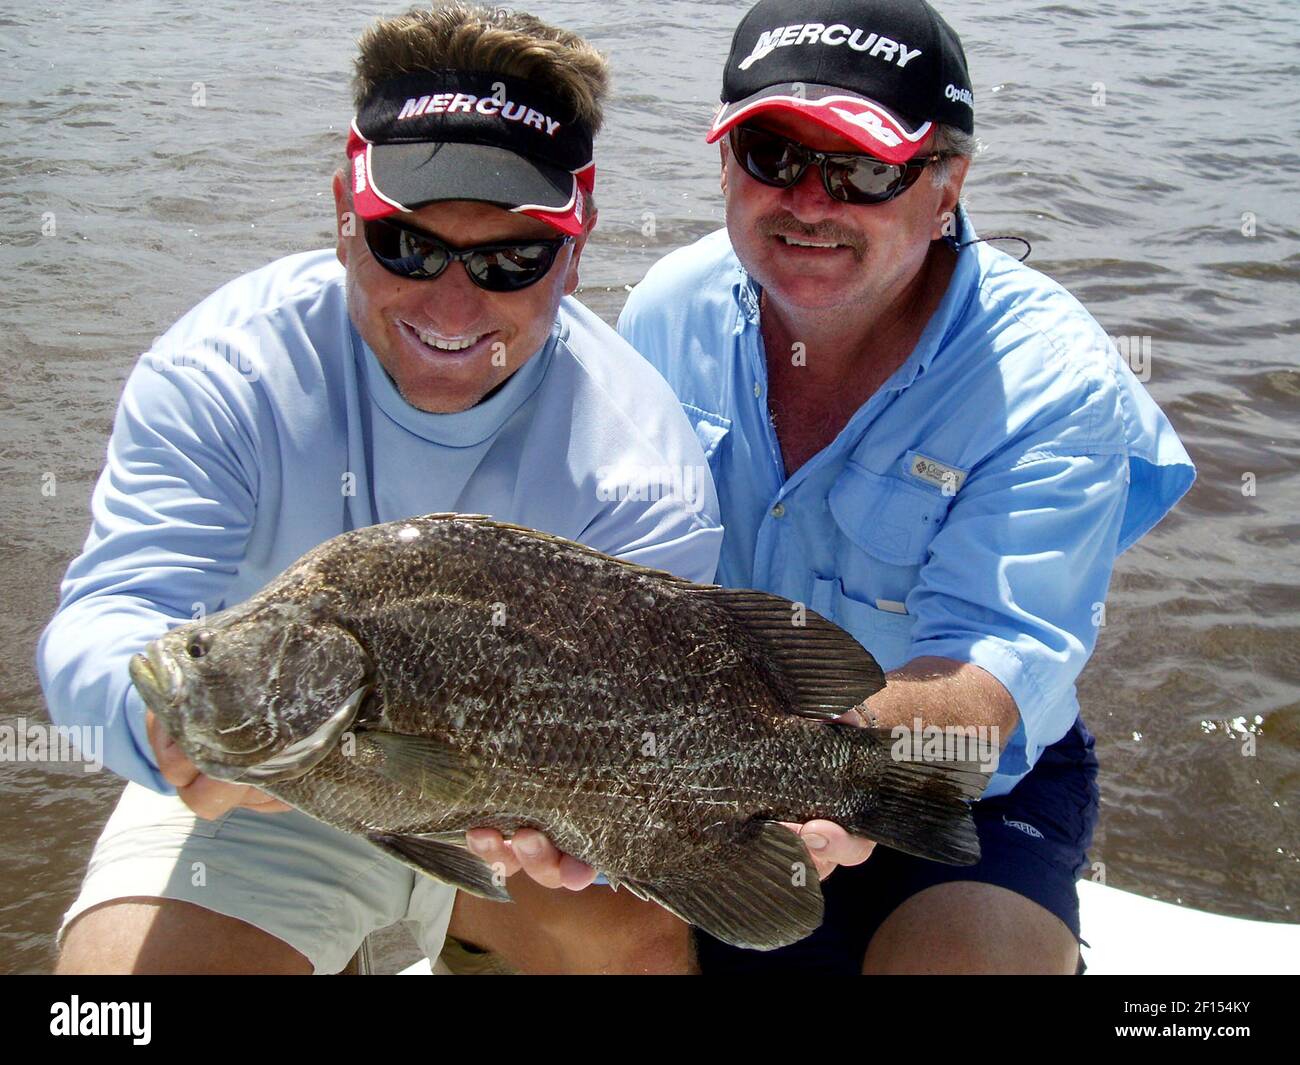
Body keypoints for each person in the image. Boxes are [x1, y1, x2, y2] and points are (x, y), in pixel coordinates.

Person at [39, 2, 721, 974]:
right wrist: (156, 725)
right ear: (340, 213)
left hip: (526, 816)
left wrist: (604, 825)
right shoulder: (224, 372)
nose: (451, 304)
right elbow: (111, 610)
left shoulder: (642, 473)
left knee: (636, 952)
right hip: (269, 796)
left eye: (509, 259)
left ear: (578, 246)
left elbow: (659, 715)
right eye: (406, 244)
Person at [614, 0, 1197, 973]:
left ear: (944, 186)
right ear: (724, 164)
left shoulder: (1055, 386)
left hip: (976, 792)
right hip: (704, 769)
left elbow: (985, 675)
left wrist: (834, 769)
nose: (809, 201)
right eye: (770, 153)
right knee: (526, 909)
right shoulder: (667, 310)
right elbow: (620, 583)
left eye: (865, 168)